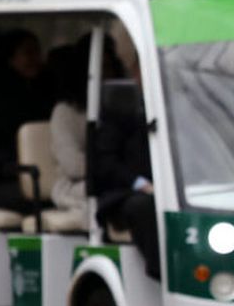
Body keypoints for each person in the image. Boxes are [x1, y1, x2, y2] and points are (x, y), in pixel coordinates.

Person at [0, 28, 53, 210]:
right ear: (10, 57)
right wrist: (14, 167)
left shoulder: (46, 90)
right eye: (28, 53)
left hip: (46, 175)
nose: (36, 59)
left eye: (38, 52)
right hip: (2, 182)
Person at [93, 74, 160, 279]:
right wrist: (141, 184)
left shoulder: (175, 109)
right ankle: (161, 271)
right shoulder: (118, 114)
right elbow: (106, 164)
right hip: (125, 192)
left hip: (170, 188)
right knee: (145, 206)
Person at [47, 43, 89, 222]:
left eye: (110, 67)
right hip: (75, 186)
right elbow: (74, 166)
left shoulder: (119, 107)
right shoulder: (64, 112)